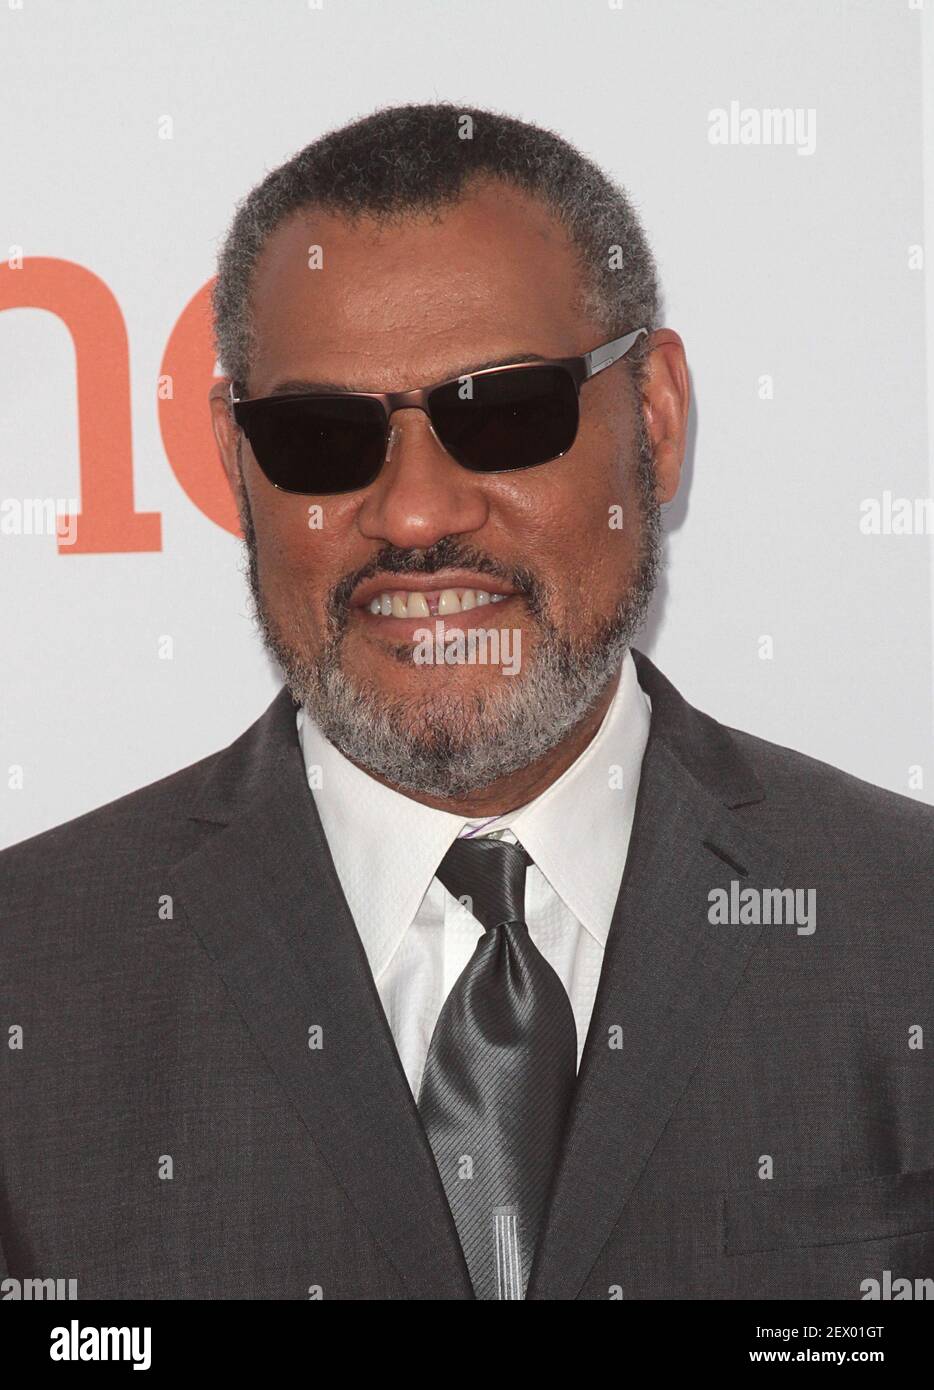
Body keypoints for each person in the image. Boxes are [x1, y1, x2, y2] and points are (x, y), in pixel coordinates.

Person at [1, 103, 931, 1302]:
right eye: (321, 436)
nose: (418, 515)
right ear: (236, 463)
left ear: (653, 416)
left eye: (500, 413)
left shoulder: (902, 932)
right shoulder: (33, 982)